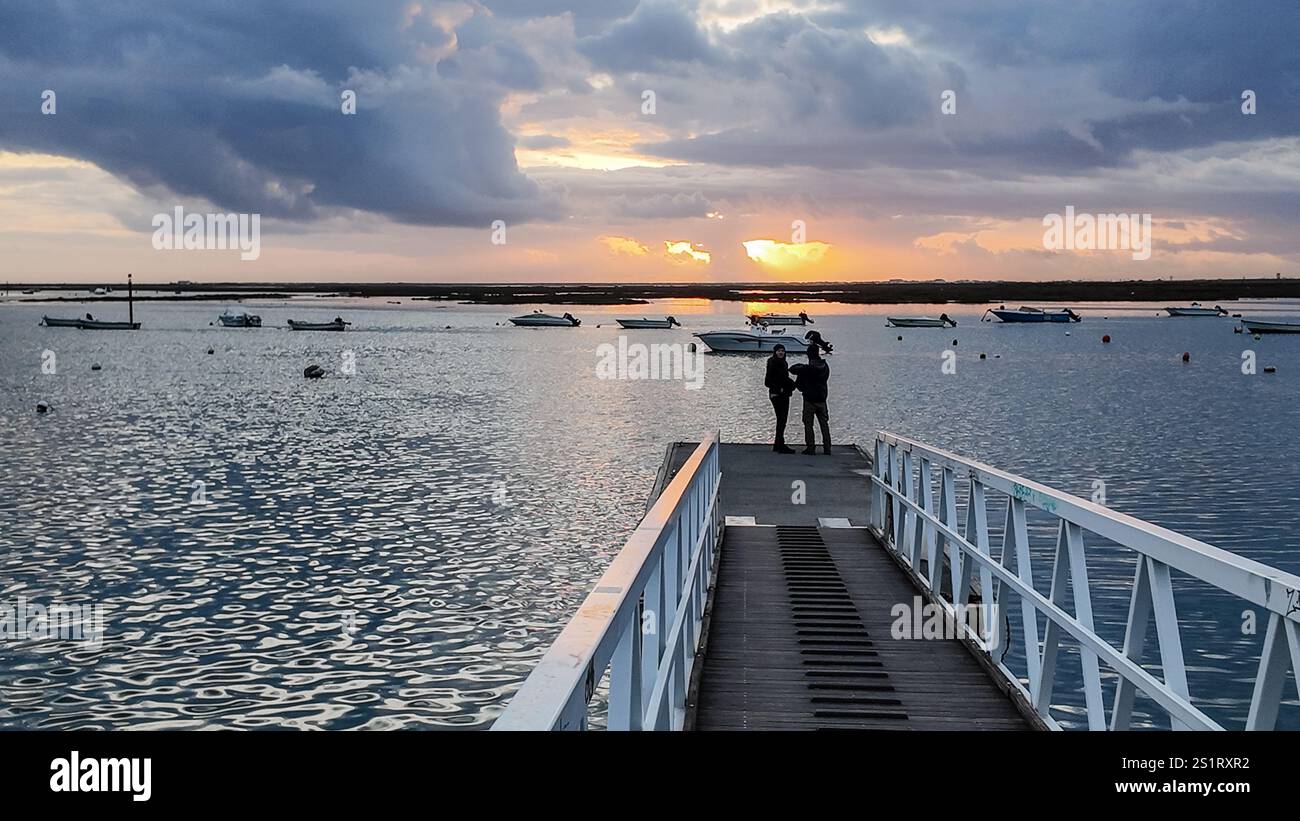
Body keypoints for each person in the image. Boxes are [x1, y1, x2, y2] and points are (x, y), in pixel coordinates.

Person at [790, 344, 831, 455]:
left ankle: (811, 447)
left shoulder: (807, 368)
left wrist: (802, 369)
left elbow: (792, 370)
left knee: (808, 424)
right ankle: (827, 448)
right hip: (822, 399)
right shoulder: (825, 367)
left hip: (809, 399)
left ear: (809, 354)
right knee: (824, 424)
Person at [764, 344, 795, 453]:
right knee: (781, 419)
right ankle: (780, 445)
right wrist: (779, 389)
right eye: (779, 351)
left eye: (782, 351)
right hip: (777, 394)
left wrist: (790, 384)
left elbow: (785, 378)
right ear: (775, 352)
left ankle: (778, 444)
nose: (781, 352)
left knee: (782, 419)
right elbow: (767, 381)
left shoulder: (784, 363)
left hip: (784, 394)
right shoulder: (772, 363)